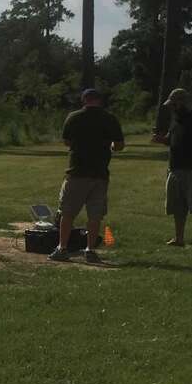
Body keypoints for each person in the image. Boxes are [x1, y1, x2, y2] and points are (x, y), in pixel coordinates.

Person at [50, 87, 125, 264]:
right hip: (100, 174)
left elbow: (67, 141)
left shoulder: (73, 117)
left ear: (84, 100)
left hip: (77, 172)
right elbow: (119, 145)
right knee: (95, 216)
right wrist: (110, 146)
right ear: (99, 100)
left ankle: (62, 248)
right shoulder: (110, 118)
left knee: (67, 213)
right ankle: (90, 250)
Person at [154, 87, 192, 248]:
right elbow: (171, 138)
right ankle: (179, 238)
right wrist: (161, 140)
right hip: (175, 169)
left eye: (173, 104)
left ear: (182, 102)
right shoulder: (176, 118)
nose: (172, 108)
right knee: (178, 206)